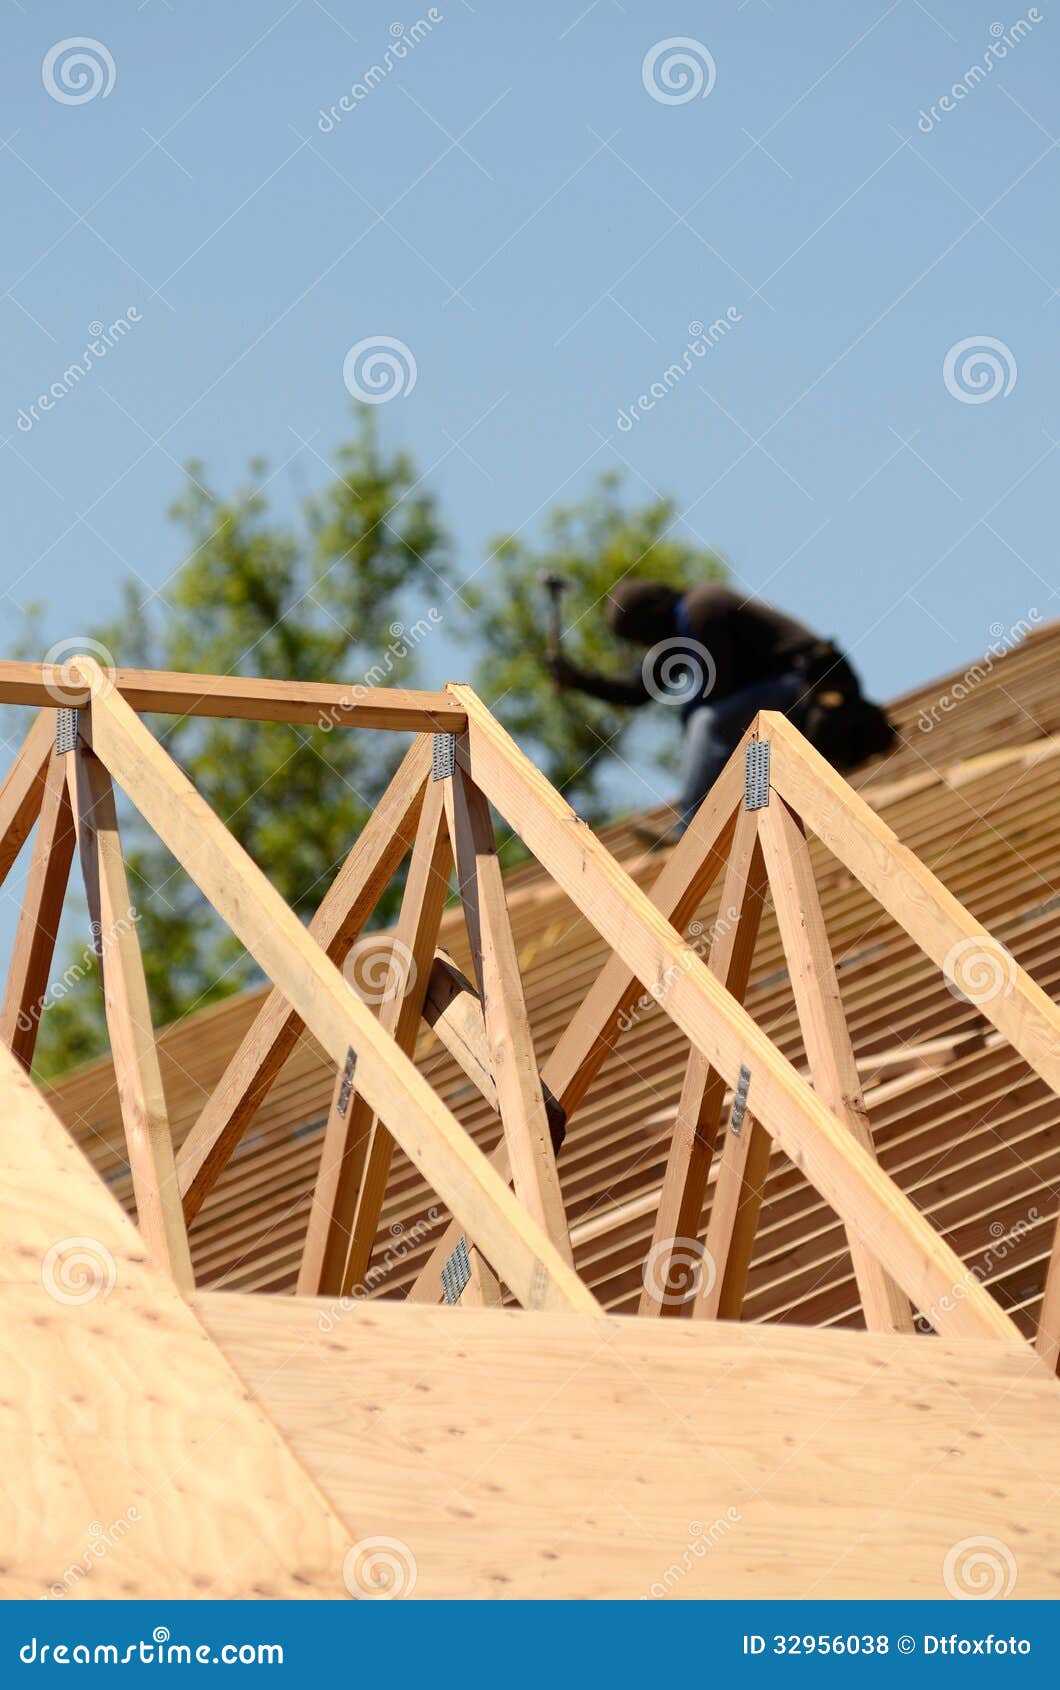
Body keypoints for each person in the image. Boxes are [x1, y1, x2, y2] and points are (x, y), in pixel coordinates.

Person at [546, 579, 896, 843]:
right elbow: (637, 692)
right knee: (739, 734)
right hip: (775, 701)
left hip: (806, 685)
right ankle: (756, 811)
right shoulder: (679, 635)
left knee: (708, 722)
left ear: (652, 618)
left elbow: (719, 686)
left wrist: (690, 715)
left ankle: (690, 825)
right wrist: (578, 679)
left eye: (639, 636)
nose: (644, 647)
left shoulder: (704, 607)